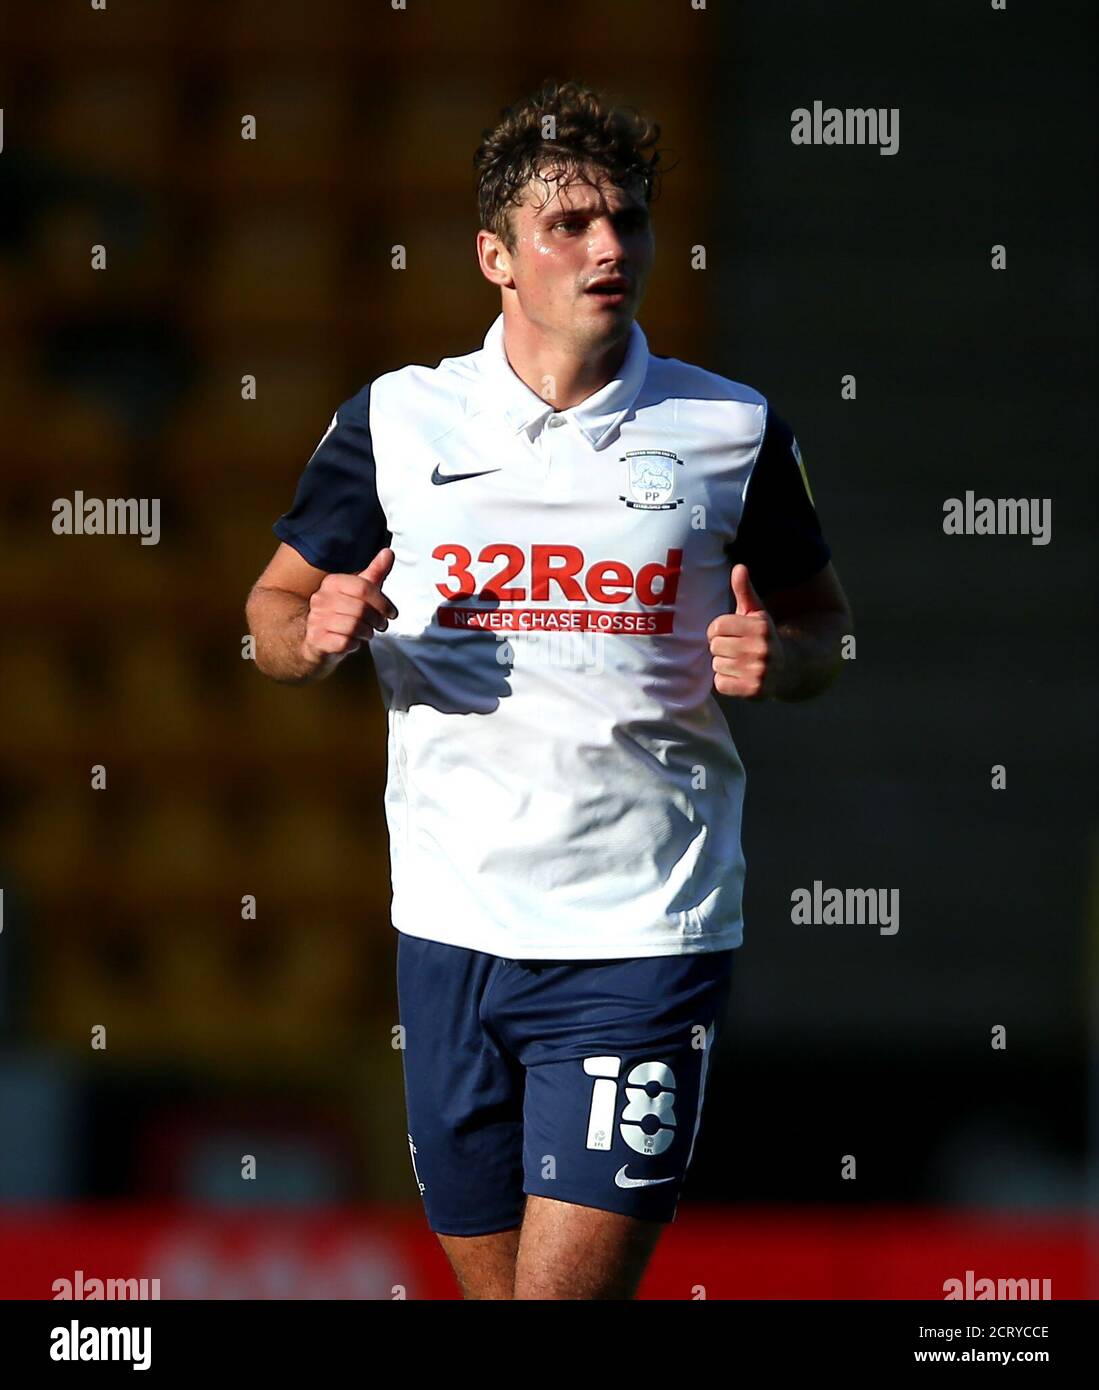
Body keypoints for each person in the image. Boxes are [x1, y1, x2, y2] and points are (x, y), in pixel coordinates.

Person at [245, 78, 853, 1300]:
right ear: (495, 257)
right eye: (569, 224)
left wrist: (782, 662)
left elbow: (821, 625)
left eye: (625, 219)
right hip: (451, 930)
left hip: (642, 933)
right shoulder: (398, 421)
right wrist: (311, 638)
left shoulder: (728, 428)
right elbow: (266, 611)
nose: (608, 246)